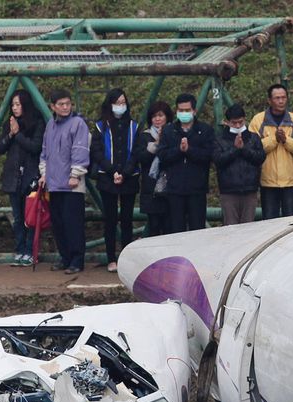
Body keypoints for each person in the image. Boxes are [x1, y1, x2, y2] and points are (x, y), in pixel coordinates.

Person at [38, 88, 90, 274]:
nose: (65, 107)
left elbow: (80, 149)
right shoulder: (50, 124)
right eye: (61, 104)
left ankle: (77, 259)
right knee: (58, 223)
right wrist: (44, 173)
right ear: (53, 106)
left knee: (73, 223)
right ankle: (65, 256)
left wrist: (75, 174)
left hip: (72, 184)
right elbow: (45, 151)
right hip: (54, 183)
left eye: (68, 104)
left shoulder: (78, 124)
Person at [90, 88, 140, 272]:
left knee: (127, 220)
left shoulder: (134, 126)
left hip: (129, 178)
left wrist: (125, 173)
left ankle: (126, 259)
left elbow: (136, 152)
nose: (121, 106)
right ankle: (111, 258)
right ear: (110, 105)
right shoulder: (101, 126)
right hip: (107, 178)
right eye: (117, 103)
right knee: (110, 219)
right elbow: (96, 151)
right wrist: (112, 172)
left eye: (123, 102)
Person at [0, 89, 44, 266]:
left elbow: (35, 147)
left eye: (18, 104)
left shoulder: (37, 122)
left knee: (29, 216)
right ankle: (20, 249)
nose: (15, 108)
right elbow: (0, 148)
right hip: (13, 176)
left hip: (30, 175)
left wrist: (18, 135)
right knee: (17, 216)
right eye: (13, 105)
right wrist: (10, 134)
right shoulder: (10, 123)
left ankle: (30, 250)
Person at [157, 93, 215, 232]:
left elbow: (208, 155)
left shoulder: (205, 130)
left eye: (187, 110)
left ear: (194, 111)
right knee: (176, 230)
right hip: (174, 189)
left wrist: (189, 150)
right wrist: (179, 150)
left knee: (197, 229)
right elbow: (163, 155)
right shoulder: (169, 131)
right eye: (181, 110)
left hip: (197, 189)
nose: (184, 113)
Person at [249, 84, 293, 219]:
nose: (281, 101)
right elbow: (253, 147)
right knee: (269, 221)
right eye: (277, 98)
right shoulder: (258, 120)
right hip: (268, 181)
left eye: (283, 97)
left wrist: (285, 140)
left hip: (290, 181)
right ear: (269, 100)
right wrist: (274, 139)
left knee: (290, 220)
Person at [212, 103, 265, 225]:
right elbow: (218, 160)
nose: (237, 125)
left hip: (250, 189)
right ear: (227, 122)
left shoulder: (253, 138)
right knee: (231, 226)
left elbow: (260, 157)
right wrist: (235, 149)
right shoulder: (220, 139)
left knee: (248, 226)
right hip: (229, 190)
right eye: (234, 123)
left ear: (245, 120)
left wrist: (244, 149)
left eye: (240, 122)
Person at [134, 101, 173, 237]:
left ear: (167, 117)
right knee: (154, 227)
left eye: (160, 115)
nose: (157, 119)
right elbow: (141, 158)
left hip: (171, 187)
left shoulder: (174, 134)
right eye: (154, 116)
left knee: (170, 227)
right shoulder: (144, 136)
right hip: (151, 188)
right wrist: (156, 145)